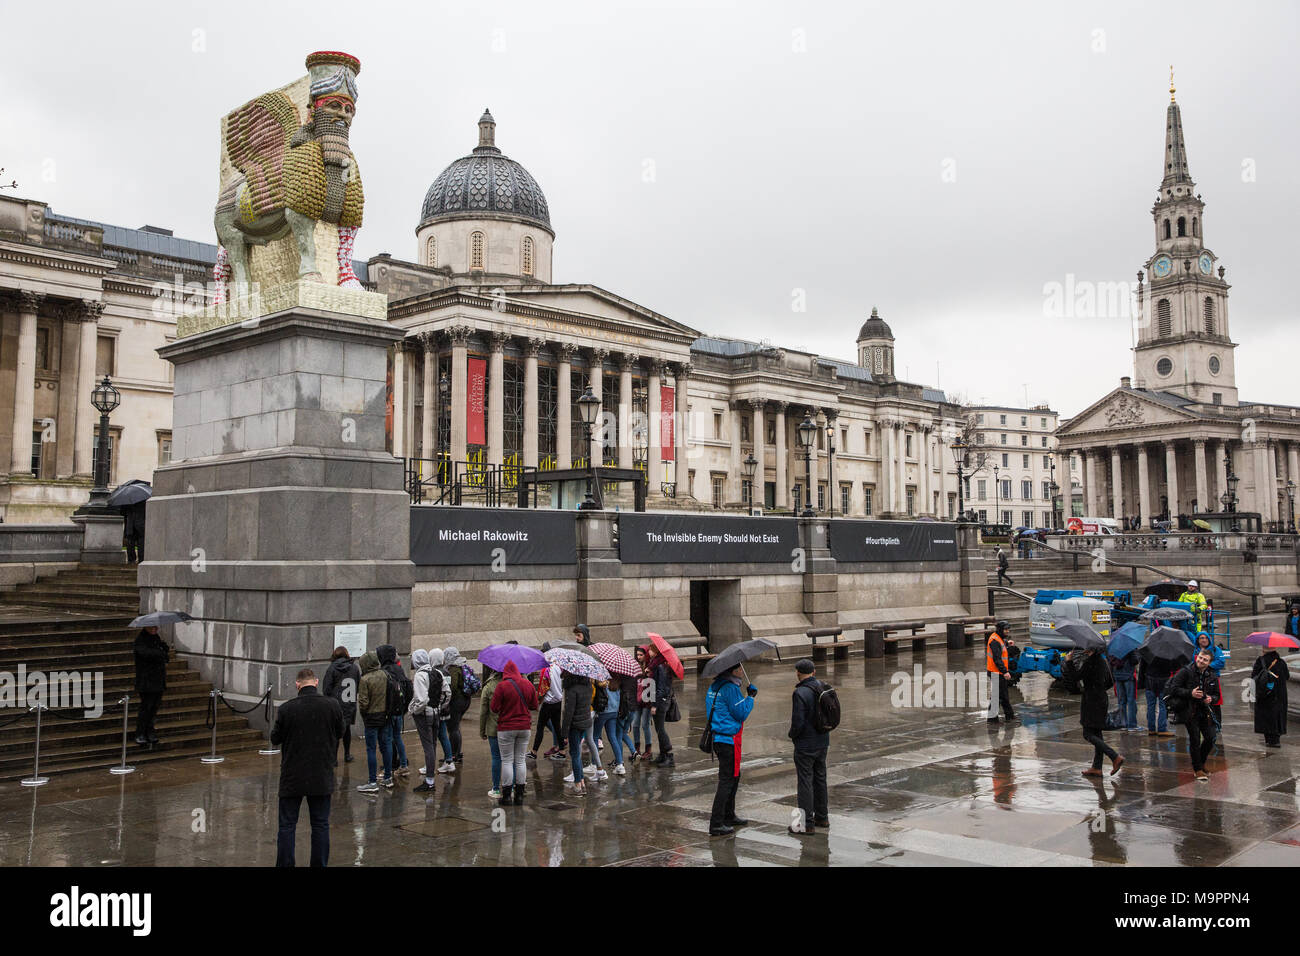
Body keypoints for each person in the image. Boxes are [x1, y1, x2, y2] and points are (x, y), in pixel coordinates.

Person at [271, 667, 344, 867]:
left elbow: (275, 738)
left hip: (292, 775)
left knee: (287, 825)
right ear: (316, 682)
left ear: (297, 685)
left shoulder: (287, 709)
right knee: (320, 825)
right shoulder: (332, 706)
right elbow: (340, 732)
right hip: (321, 773)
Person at [705, 663, 756, 837]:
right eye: (740, 668)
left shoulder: (715, 686)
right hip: (728, 739)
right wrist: (750, 697)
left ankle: (729, 814)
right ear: (732, 671)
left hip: (718, 737)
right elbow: (741, 713)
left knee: (735, 776)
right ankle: (716, 823)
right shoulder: (731, 689)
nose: (742, 670)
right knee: (727, 780)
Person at [1066, 648, 1124, 778]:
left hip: (1091, 700)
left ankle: (1114, 756)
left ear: (1090, 648)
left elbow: (1075, 677)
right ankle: (1097, 767)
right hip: (1101, 698)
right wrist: (1099, 687)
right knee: (1097, 733)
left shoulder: (1091, 662)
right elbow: (1110, 680)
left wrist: (1069, 661)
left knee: (1087, 733)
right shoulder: (1102, 660)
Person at [1166, 648, 1222, 781]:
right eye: (1200, 658)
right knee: (1195, 739)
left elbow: (1216, 694)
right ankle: (1197, 769)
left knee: (1210, 737)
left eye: (1205, 660)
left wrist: (1211, 699)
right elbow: (1173, 689)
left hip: (1205, 711)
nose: (1201, 661)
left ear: (1209, 663)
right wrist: (1190, 693)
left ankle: (1201, 764)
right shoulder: (1186, 671)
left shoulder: (1211, 674)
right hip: (1189, 711)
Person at [788, 659, 830, 835]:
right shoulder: (824, 687)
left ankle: (806, 823)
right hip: (822, 741)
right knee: (820, 779)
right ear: (813, 672)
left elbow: (798, 722)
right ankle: (822, 817)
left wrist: (792, 735)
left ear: (798, 673)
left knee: (805, 782)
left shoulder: (800, 693)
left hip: (805, 744)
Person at [490, 659, 538, 805]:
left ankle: (506, 796)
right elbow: (534, 705)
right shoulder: (528, 684)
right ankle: (519, 795)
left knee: (507, 760)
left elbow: (494, 708)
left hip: (506, 728)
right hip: (524, 728)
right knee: (520, 760)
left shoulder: (501, 686)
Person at [355, 650, 394, 792]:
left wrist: (364, 714)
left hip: (371, 718)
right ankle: (388, 777)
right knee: (386, 746)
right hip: (385, 716)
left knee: (371, 749)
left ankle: (372, 781)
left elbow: (363, 702)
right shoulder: (385, 674)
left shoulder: (365, 679)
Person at [408, 649, 444, 794]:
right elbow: (446, 693)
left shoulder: (420, 675)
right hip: (436, 712)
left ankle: (429, 781)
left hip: (424, 714)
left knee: (428, 747)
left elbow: (421, 699)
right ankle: (430, 778)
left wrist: (414, 711)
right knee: (433, 745)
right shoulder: (437, 673)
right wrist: (439, 706)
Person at [320, 646, 360, 763]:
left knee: (335, 731)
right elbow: (358, 684)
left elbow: (326, 688)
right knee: (346, 729)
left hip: (335, 704)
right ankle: (347, 754)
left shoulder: (332, 668)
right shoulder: (354, 668)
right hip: (350, 704)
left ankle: (334, 758)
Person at [376, 644, 410, 777]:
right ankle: (403, 765)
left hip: (389, 712)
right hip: (399, 712)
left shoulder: (385, 671)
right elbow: (408, 689)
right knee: (397, 738)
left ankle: (388, 769)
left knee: (388, 740)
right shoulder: (399, 669)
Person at [133, 625, 168, 746]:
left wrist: (163, 649)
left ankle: (150, 731)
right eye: (152, 627)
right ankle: (140, 733)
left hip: (158, 680)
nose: (154, 629)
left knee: (154, 707)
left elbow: (163, 655)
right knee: (146, 707)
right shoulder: (140, 640)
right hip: (146, 681)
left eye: (156, 627)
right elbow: (145, 654)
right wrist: (159, 652)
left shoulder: (156, 639)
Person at [560, 670, 594, 794]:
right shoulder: (588, 686)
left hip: (574, 725)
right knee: (577, 753)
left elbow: (568, 713)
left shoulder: (572, 690)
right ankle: (582, 782)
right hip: (585, 722)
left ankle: (578, 784)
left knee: (574, 754)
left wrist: (564, 733)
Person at [439, 646, 471, 772]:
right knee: (456, 727)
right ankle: (457, 753)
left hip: (457, 701)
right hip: (464, 700)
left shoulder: (453, 668)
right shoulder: (462, 665)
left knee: (453, 728)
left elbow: (452, 686)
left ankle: (453, 755)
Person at [1251, 648, 1289, 749]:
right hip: (1279, 695)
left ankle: (1269, 738)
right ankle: (1275, 739)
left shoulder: (1260, 661)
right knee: (1277, 716)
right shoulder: (1281, 662)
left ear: (1264, 649)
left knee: (1265, 715)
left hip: (1264, 694)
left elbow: (1254, 676)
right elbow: (1287, 676)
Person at [530, 659, 565, 761]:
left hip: (548, 703)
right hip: (558, 701)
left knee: (540, 727)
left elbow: (543, 689)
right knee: (557, 726)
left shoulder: (546, 671)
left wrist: (538, 701)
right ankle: (562, 751)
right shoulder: (559, 667)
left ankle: (534, 752)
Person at [648, 645, 676, 767]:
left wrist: (654, 705)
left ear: (656, 651)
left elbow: (659, 688)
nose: (648, 652)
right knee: (659, 728)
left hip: (661, 702)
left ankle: (668, 754)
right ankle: (662, 754)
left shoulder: (660, 666)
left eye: (651, 650)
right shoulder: (657, 664)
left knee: (660, 729)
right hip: (662, 700)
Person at [1139, 652, 1178, 737]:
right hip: (1164, 681)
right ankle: (1162, 729)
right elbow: (1174, 667)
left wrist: (1141, 683)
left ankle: (1151, 729)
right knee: (1163, 705)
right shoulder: (1167, 650)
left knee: (1151, 706)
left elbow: (1142, 667)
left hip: (1149, 681)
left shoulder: (1148, 649)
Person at [985, 621, 1016, 724]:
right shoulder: (994, 641)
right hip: (996, 672)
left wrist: (1007, 643)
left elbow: (1001, 646)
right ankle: (1003, 717)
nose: (1007, 631)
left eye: (1008, 629)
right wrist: (1005, 671)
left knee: (1000, 695)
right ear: (1000, 630)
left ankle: (1001, 717)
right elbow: (997, 659)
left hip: (997, 672)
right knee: (1000, 695)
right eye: (1005, 629)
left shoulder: (999, 638)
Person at [479, 665, 503, 798]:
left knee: (496, 757)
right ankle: (510, 787)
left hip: (494, 728)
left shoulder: (490, 685)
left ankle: (496, 788)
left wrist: (482, 730)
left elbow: (483, 711)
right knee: (511, 759)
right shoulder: (520, 681)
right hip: (512, 727)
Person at [594, 677, 625, 774]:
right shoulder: (617, 682)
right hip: (614, 712)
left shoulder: (603, 682)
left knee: (594, 737)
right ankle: (620, 764)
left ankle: (594, 763)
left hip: (603, 712)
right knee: (613, 737)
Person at [1109, 645, 1140, 732]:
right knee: (1131, 701)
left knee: (1121, 701)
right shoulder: (1130, 645)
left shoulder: (1113, 646)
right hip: (1128, 676)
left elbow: (1110, 661)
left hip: (1117, 676)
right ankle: (1132, 725)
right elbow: (1135, 660)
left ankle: (1123, 723)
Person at [632, 646, 655, 761]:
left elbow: (653, 684)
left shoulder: (650, 667)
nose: (638, 657)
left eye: (641, 655)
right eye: (637, 655)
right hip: (637, 700)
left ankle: (648, 750)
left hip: (647, 701)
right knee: (635, 724)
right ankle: (636, 748)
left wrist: (648, 674)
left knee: (645, 725)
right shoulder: (636, 666)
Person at [122, 500, 146, 564]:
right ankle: (139, 560)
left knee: (132, 542)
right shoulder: (144, 499)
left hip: (132, 524)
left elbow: (123, 512)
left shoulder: (126, 500)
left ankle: (132, 560)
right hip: (139, 524)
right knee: (136, 543)